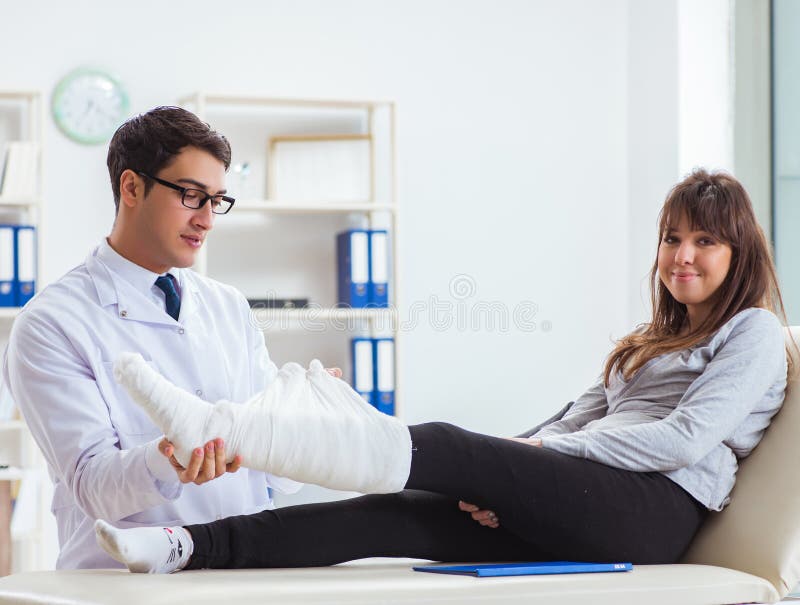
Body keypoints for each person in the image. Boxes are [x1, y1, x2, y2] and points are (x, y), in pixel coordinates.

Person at [95, 169, 790, 574]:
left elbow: (682, 442)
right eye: (672, 238)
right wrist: (511, 472)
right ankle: (186, 547)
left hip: (653, 511)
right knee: (393, 516)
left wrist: (527, 458)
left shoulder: (753, 332)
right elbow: (573, 419)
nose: (682, 255)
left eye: (705, 241)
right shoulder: (652, 340)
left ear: (740, 252)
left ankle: (221, 427)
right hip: (594, 493)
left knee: (446, 443)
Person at [3, 106, 307, 569]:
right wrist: (169, 457)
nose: (207, 219)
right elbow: (92, 484)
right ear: (131, 187)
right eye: (191, 195)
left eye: (217, 200)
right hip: (124, 587)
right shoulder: (51, 323)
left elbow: (273, 458)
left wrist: (304, 412)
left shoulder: (229, 306)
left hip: (245, 576)